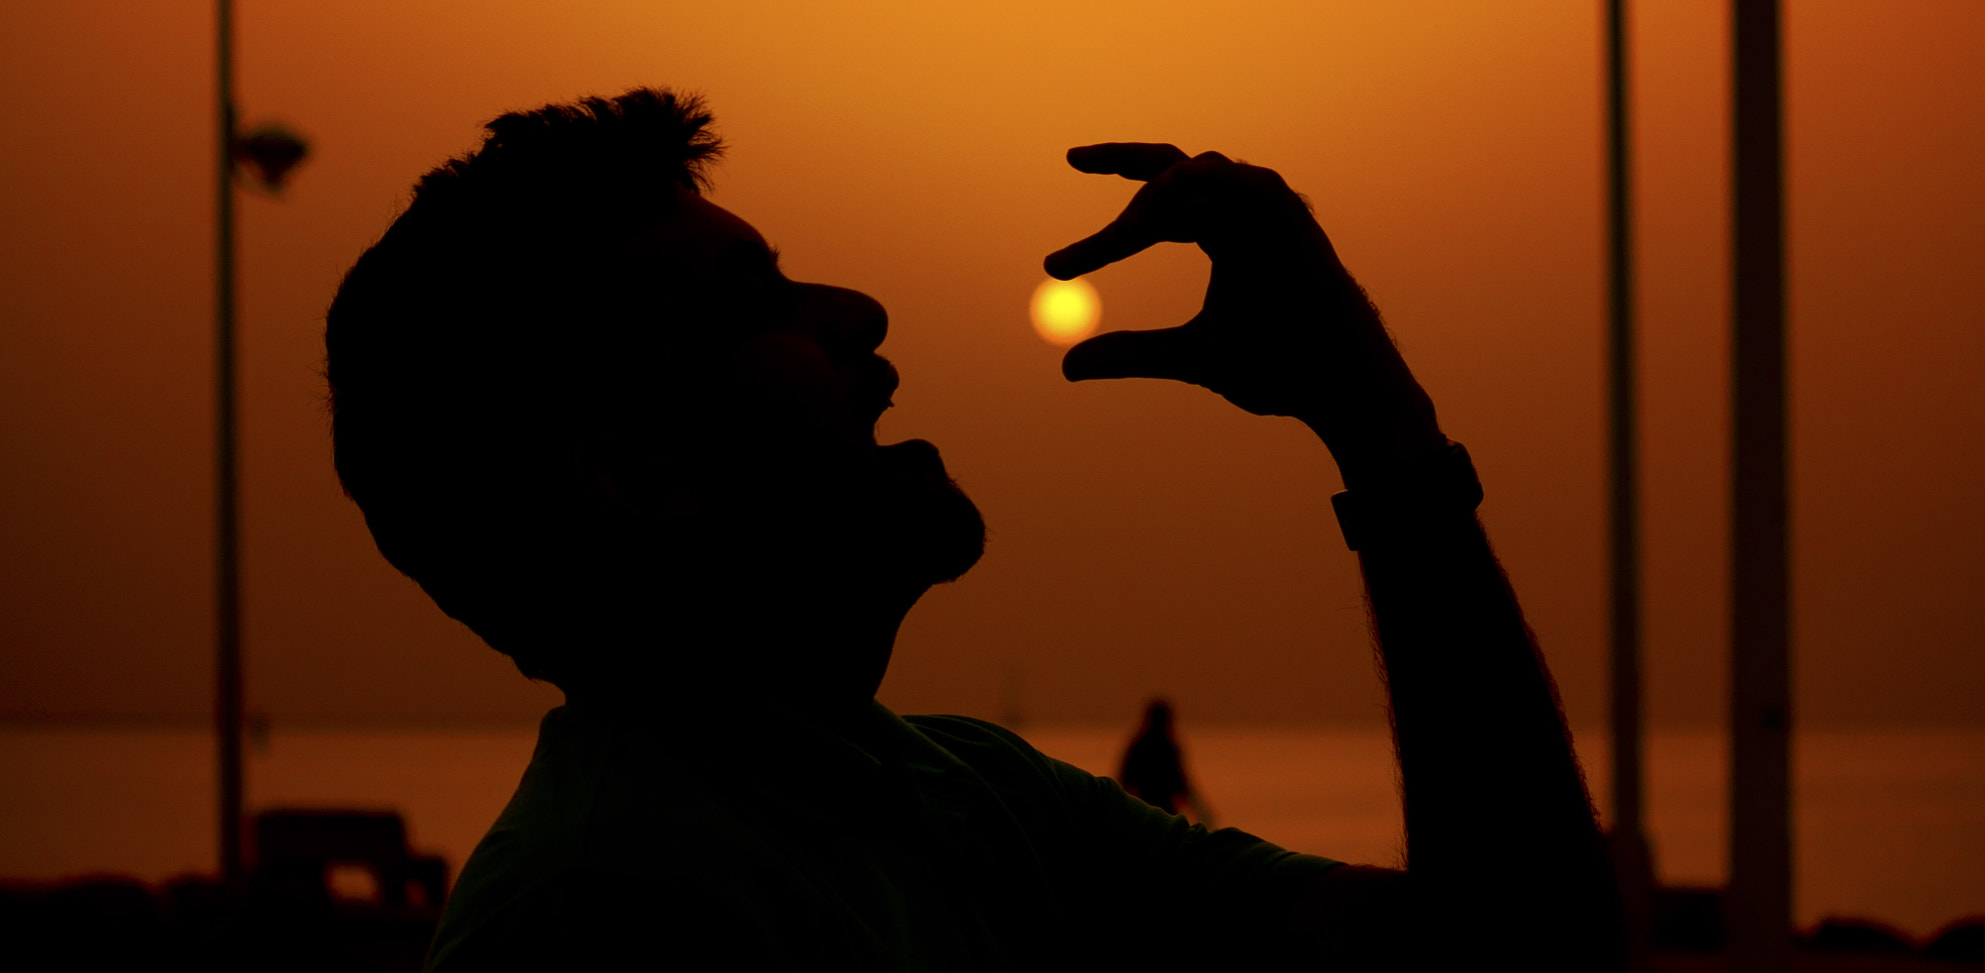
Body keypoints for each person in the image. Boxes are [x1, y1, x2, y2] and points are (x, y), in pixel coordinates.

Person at [324, 87, 1621, 970]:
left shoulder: (972, 798)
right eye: (760, 301)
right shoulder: (599, 918)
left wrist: (1372, 418)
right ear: (643, 472)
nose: (860, 311)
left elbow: (1513, 959)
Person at [1118, 700, 1210, 827]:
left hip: (1145, 811)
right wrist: (1201, 812)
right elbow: (1182, 784)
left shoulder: (1140, 746)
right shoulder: (1166, 747)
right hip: (1163, 814)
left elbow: (1124, 781)